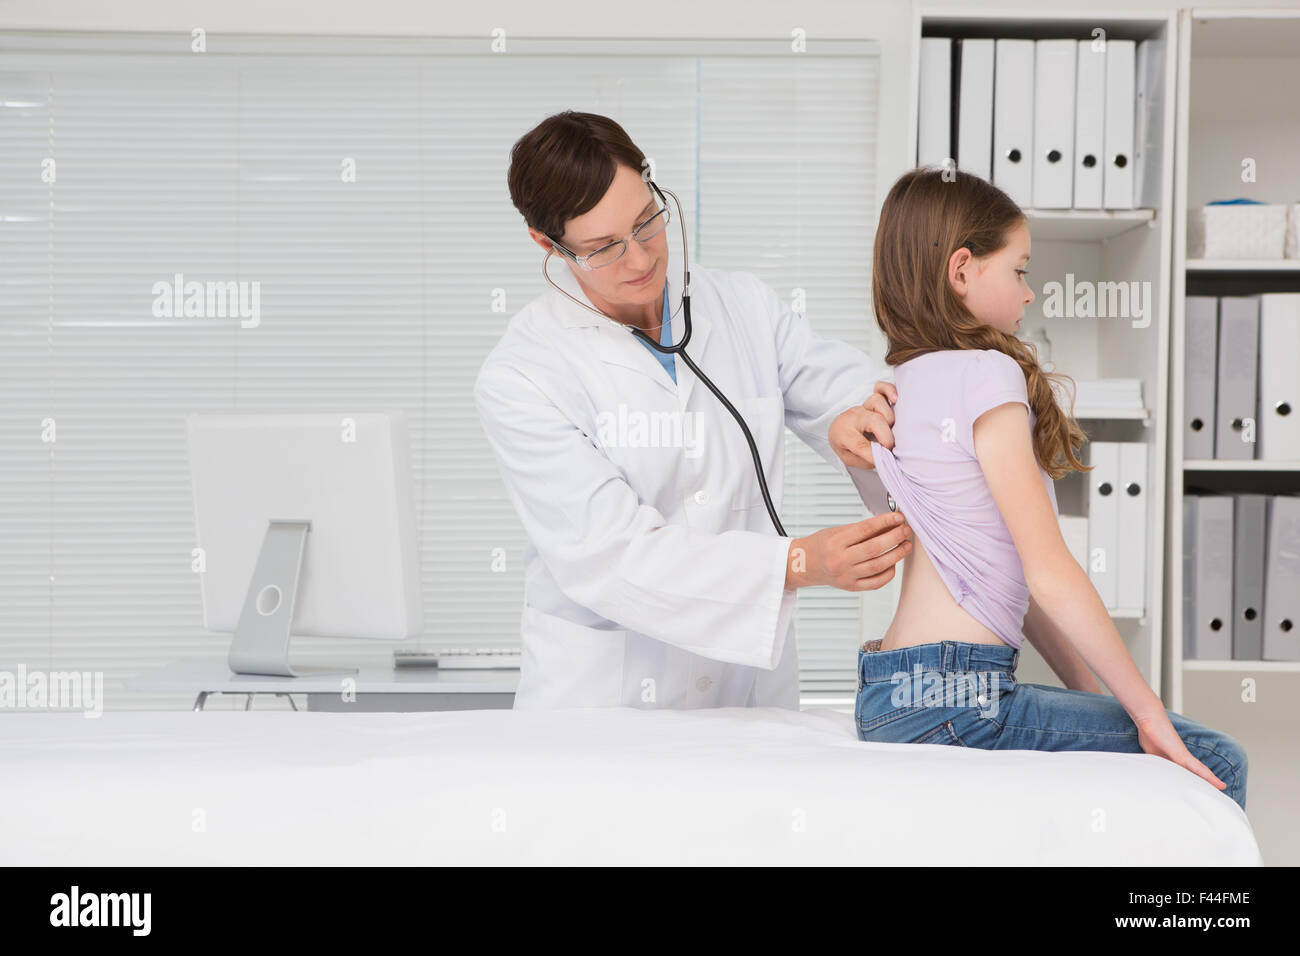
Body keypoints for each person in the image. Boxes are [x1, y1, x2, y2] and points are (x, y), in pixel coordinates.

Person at [474, 110, 912, 710]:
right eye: (603, 248)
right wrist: (800, 563)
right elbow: (615, 555)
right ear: (548, 245)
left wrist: (853, 419)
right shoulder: (524, 374)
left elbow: (853, 392)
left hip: (745, 693)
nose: (639, 259)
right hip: (603, 711)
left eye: (647, 220)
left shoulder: (742, 307)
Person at [854, 166, 1248, 812]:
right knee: (1217, 759)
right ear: (962, 271)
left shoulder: (906, 381)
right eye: (1018, 270)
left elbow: (1007, 578)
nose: (1030, 293)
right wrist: (1148, 714)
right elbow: (1049, 571)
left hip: (888, 691)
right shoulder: (988, 372)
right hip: (959, 692)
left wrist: (1099, 699)